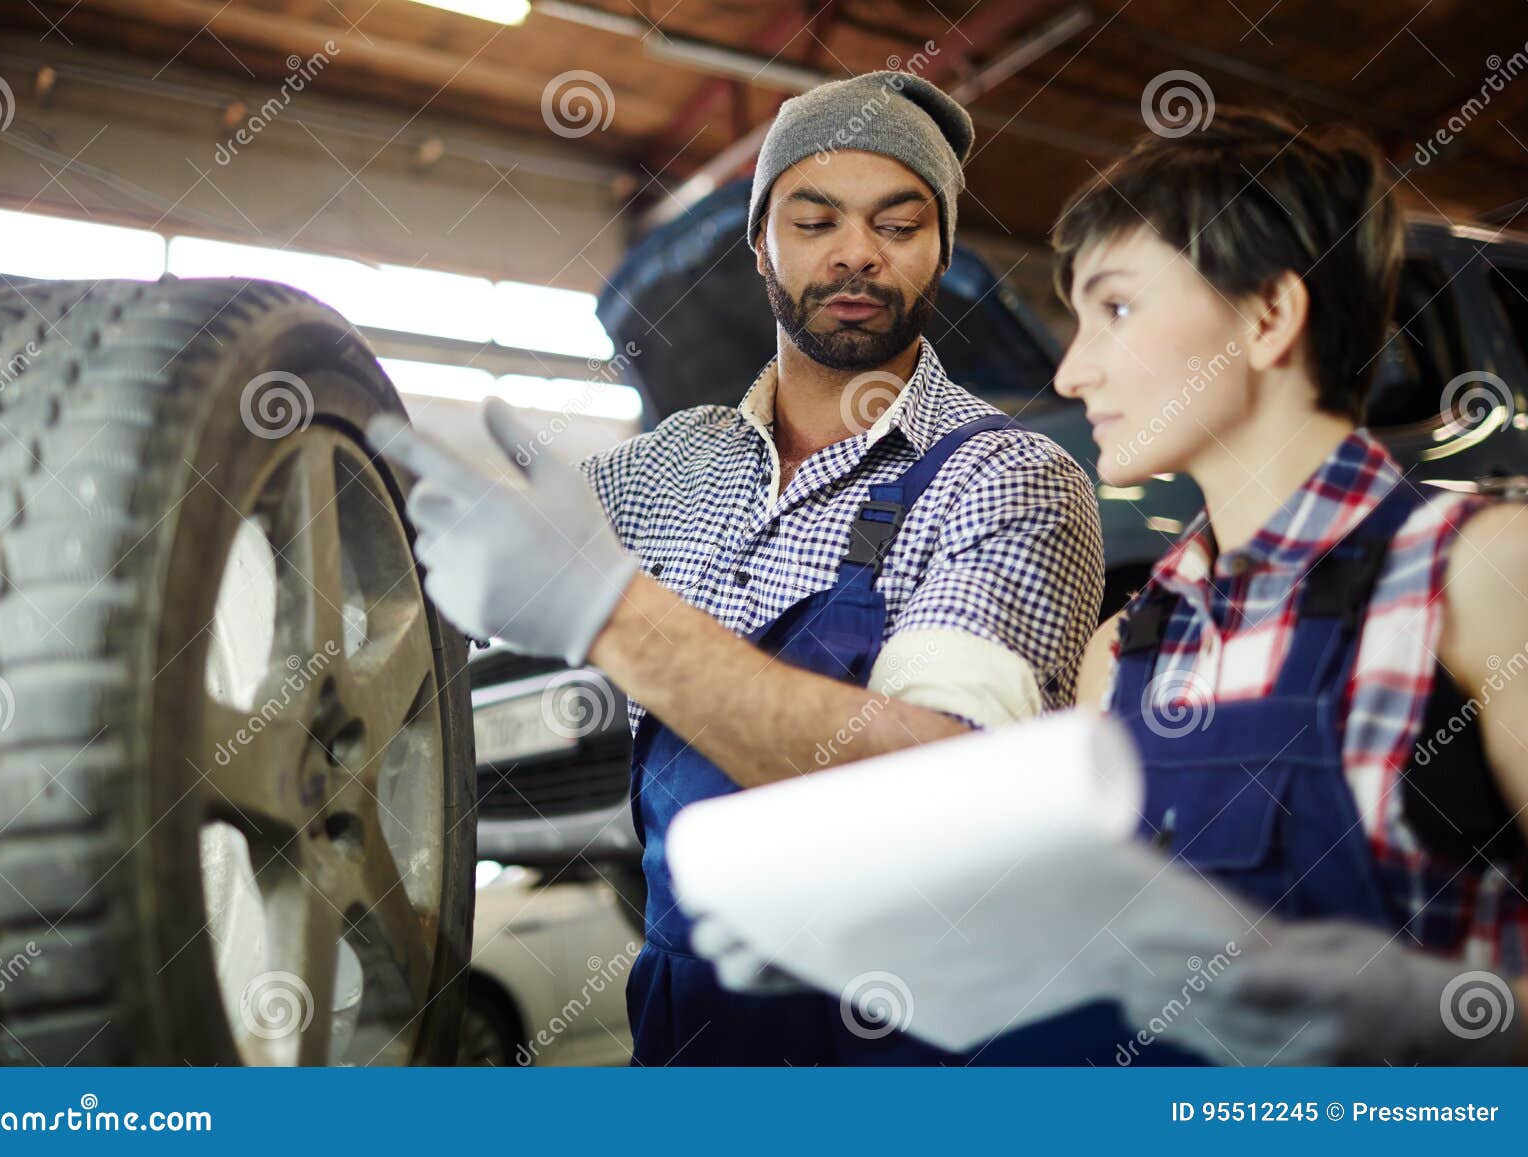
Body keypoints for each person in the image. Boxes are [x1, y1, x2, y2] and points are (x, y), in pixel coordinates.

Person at [370, 70, 1103, 1066]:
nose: (856, 252)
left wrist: (607, 609)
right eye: (813, 220)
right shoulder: (662, 470)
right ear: (759, 243)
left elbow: (942, 800)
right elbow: (414, 626)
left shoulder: (1012, 478)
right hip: (685, 1021)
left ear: (938, 249)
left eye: (899, 223)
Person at [1051, 109, 1528, 1065]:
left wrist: (1452, 1017)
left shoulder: (1480, 574)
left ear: (1267, 316)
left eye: (1115, 308)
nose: (1071, 370)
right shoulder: (1122, 655)